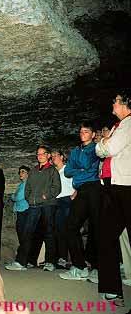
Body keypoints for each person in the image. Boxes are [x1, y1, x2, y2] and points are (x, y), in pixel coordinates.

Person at [94, 92, 131, 307]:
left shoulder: (128, 124)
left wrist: (104, 144)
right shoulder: (119, 126)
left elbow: (110, 148)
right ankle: (111, 289)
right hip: (112, 187)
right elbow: (102, 149)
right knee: (106, 236)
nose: (112, 104)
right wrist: (104, 144)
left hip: (126, 187)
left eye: (115, 101)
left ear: (125, 103)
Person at [6, 145, 61, 272]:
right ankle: (21, 262)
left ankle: (50, 262)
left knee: (49, 232)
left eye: (43, 153)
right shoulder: (34, 171)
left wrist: (45, 196)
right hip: (34, 205)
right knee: (27, 232)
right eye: (38, 154)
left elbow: (56, 188)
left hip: (48, 204)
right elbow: (28, 188)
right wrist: (29, 199)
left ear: (48, 155)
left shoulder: (52, 170)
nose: (40, 156)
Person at [59, 123, 100, 281]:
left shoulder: (96, 148)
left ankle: (97, 268)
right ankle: (80, 266)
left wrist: (79, 167)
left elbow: (88, 166)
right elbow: (68, 171)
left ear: (93, 134)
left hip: (95, 188)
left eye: (86, 131)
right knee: (71, 226)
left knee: (96, 228)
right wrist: (80, 169)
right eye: (81, 131)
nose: (83, 134)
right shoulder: (75, 150)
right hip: (81, 190)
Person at [51, 149, 76, 269]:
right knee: (59, 230)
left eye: (55, 155)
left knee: (68, 230)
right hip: (57, 201)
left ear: (62, 157)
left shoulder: (68, 169)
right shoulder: (54, 172)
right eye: (52, 156)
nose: (53, 157)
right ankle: (62, 258)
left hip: (67, 200)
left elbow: (78, 181)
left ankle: (75, 260)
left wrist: (74, 196)